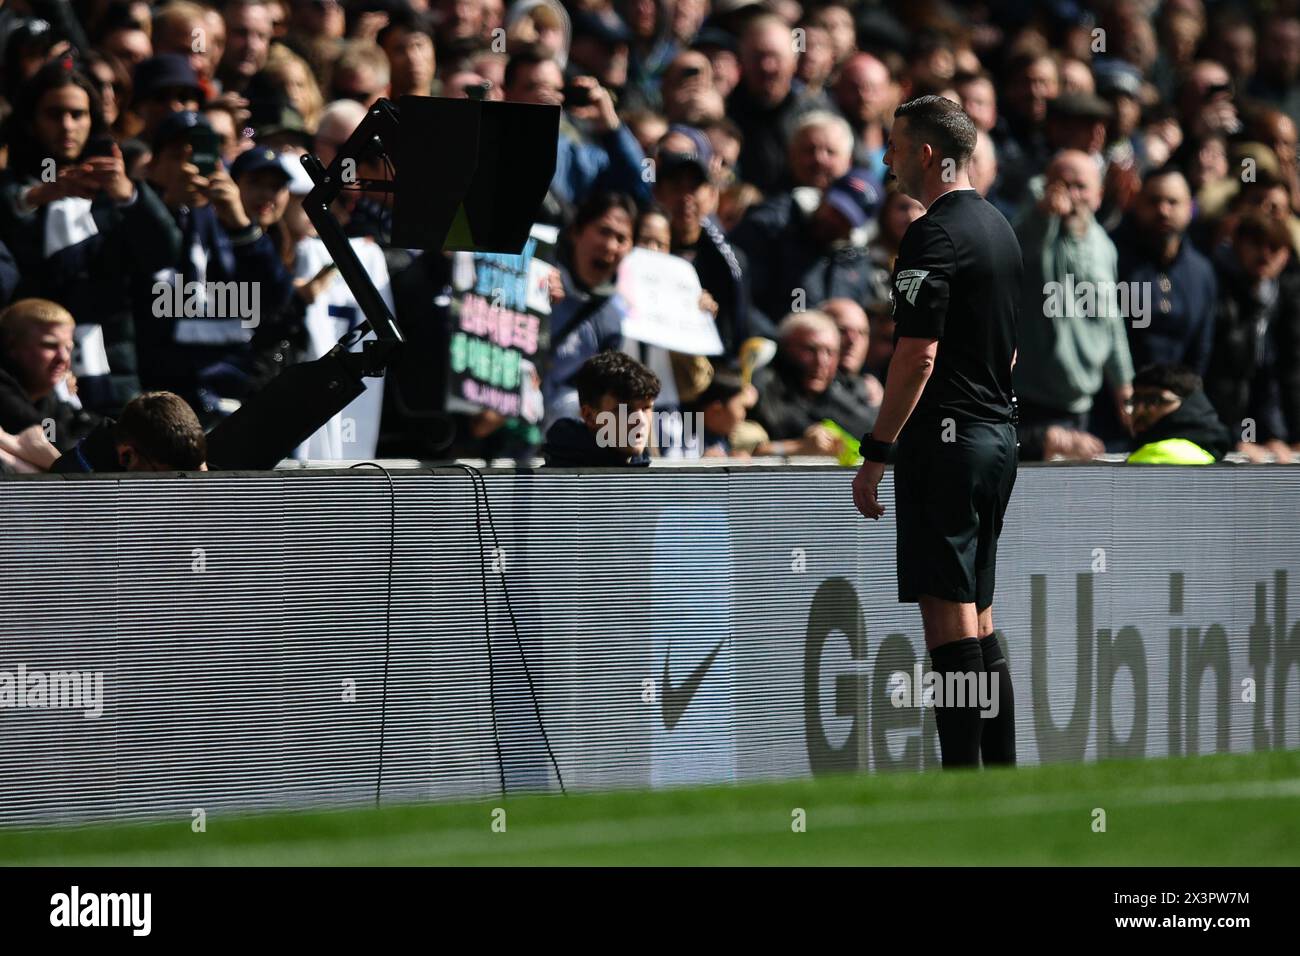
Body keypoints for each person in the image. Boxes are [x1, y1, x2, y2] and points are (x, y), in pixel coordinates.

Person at [851, 95, 1020, 770]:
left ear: (925, 152)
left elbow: (916, 354)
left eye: (893, 145)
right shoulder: (1001, 227)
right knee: (978, 611)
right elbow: (1010, 350)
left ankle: (961, 784)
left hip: (947, 444)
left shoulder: (933, 234)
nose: (886, 158)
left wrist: (877, 452)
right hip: (996, 436)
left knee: (948, 614)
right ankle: (1003, 778)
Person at [542, 349, 660, 467]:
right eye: (626, 409)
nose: (640, 421)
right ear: (589, 416)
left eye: (646, 408)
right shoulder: (556, 482)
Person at [1125, 364, 1231, 464]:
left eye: (1154, 400)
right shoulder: (1212, 449)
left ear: (1191, 404)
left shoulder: (1159, 454)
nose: (1139, 409)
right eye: (1135, 400)